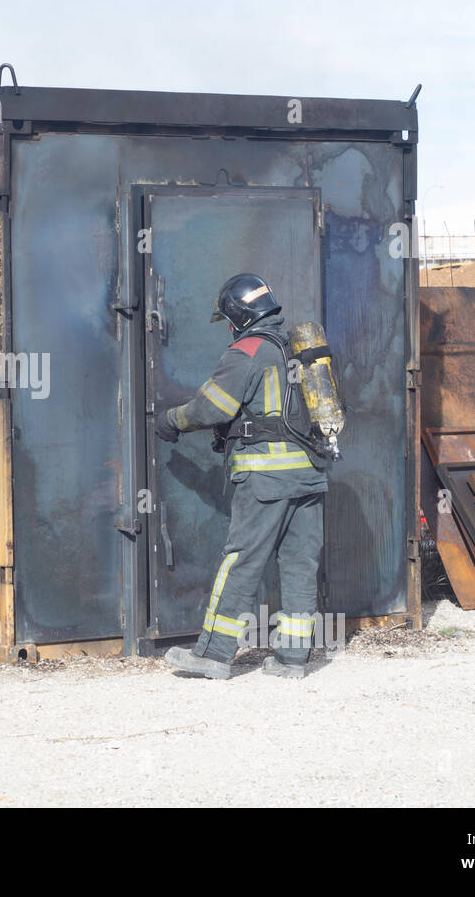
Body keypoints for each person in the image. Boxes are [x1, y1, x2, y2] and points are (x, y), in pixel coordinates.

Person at [154, 272, 328, 680]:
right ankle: (292, 660)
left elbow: (211, 408)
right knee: (300, 563)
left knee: (241, 560)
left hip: (265, 477)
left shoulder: (247, 350)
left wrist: (172, 420)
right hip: (311, 475)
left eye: (228, 320)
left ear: (237, 316)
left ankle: (214, 655)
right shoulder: (297, 349)